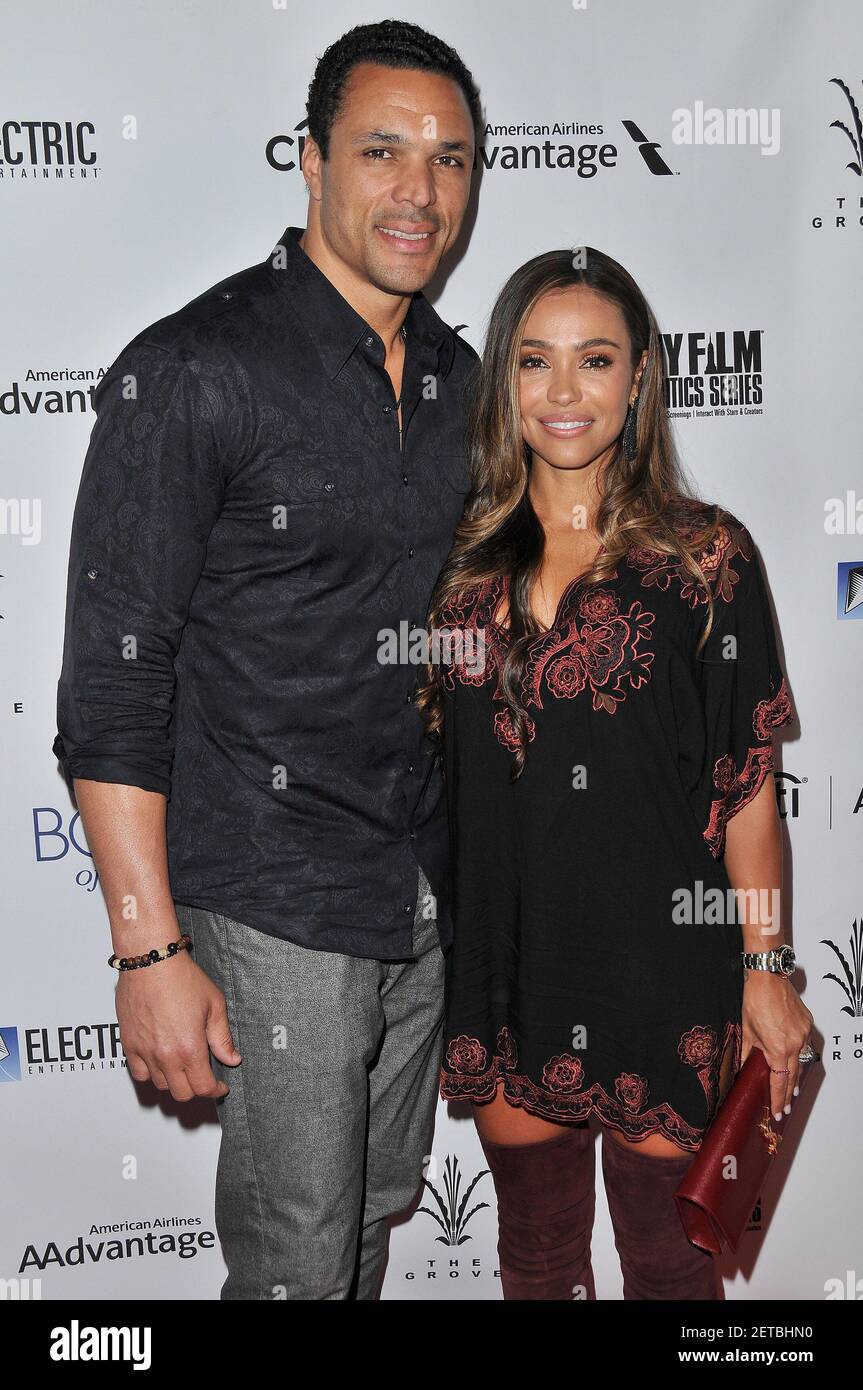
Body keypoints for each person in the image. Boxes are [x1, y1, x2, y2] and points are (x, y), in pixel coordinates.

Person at [51, 20, 482, 1300]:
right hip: (273, 885)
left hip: (417, 876)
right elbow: (113, 683)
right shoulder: (193, 369)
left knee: (367, 1212)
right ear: (308, 161)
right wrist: (146, 952)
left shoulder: (464, 382)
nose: (418, 189)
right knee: (297, 1249)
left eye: (449, 158)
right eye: (382, 150)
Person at [417, 246, 815, 1300]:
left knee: (668, 1268)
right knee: (538, 1261)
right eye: (534, 361)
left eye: (593, 360)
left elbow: (745, 789)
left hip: (662, 969)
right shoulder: (453, 561)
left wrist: (765, 968)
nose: (561, 392)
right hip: (507, 966)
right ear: (501, 377)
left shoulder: (704, 558)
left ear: (638, 377)